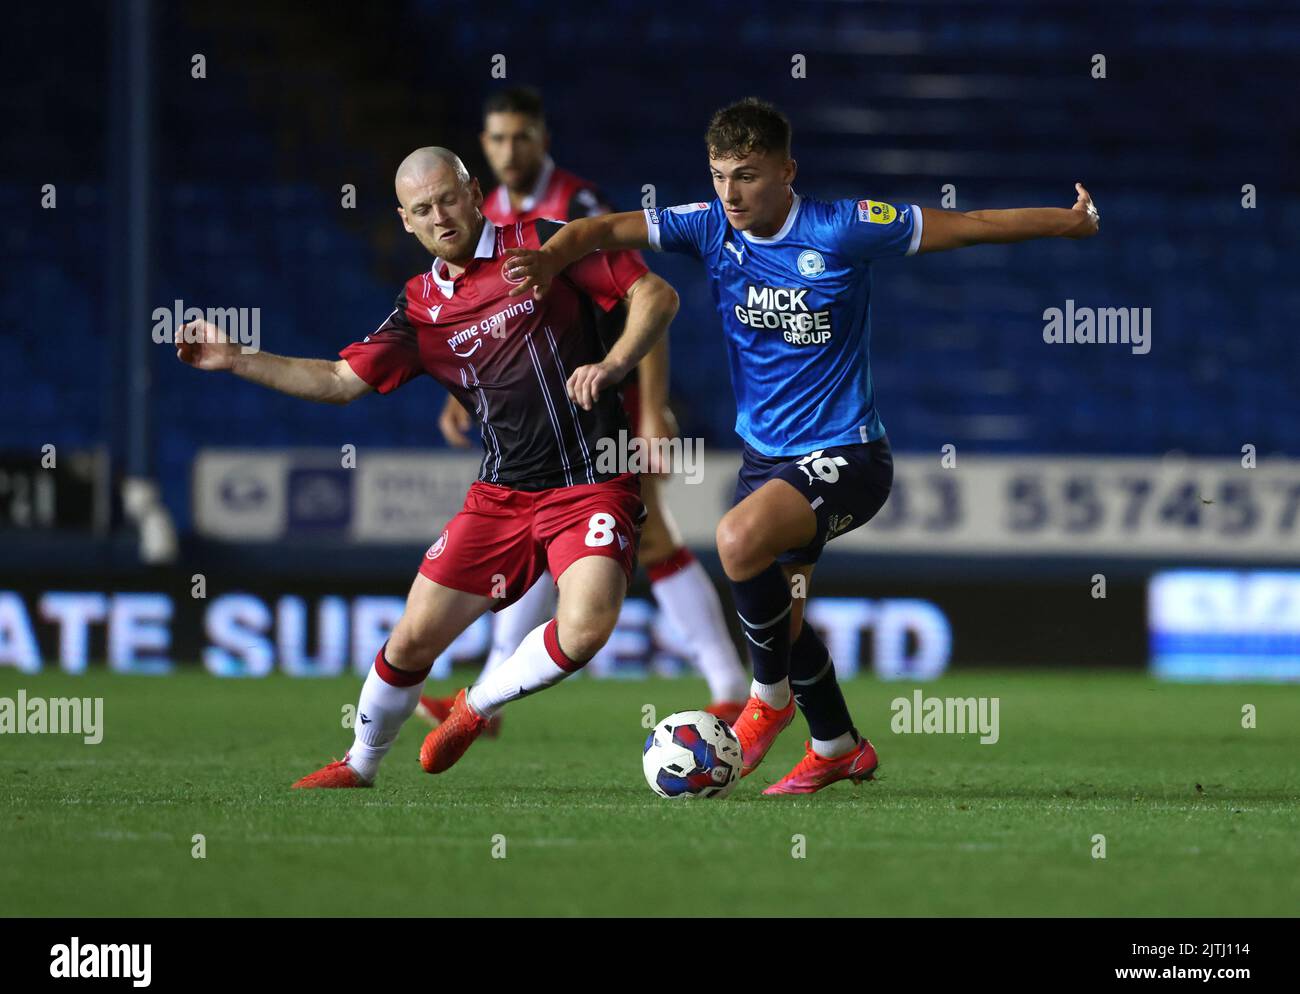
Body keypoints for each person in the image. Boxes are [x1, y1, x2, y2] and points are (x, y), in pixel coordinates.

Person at [502, 97, 1100, 795]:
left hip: (849, 456)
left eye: (748, 176)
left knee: (734, 540)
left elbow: (966, 227)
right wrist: (548, 256)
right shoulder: (705, 227)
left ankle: (769, 701)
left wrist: (1069, 222)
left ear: (788, 171)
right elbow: (601, 228)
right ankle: (838, 744)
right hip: (766, 461)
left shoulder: (844, 227)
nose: (730, 192)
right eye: (720, 174)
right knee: (783, 622)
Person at [175, 146, 679, 787]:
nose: (440, 217)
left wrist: (614, 365)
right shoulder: (418, 309)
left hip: (592, 484)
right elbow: (338, 379)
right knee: (412, 641)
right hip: (501, 496)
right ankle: (358, 766)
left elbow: (655, 295)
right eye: (422, 210)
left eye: (447, 199)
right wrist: (236, 358)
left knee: (586, 627)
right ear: (405, 221)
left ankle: (476, 706)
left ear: (473, 193)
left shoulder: (544, 245)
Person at [419, 87, 747, 731]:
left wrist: (651, 410)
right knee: (545, 537)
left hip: (603, 402)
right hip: (540, 415)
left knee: (648, 536)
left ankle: (729, 682)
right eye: (498, 139)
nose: (510, 150)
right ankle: (489, 695)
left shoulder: (575, 205)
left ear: (542, 139)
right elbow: (481, 313)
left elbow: (639, 301)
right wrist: (459, 391)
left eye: (521, 136)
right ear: (482, 148)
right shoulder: (488, 211)